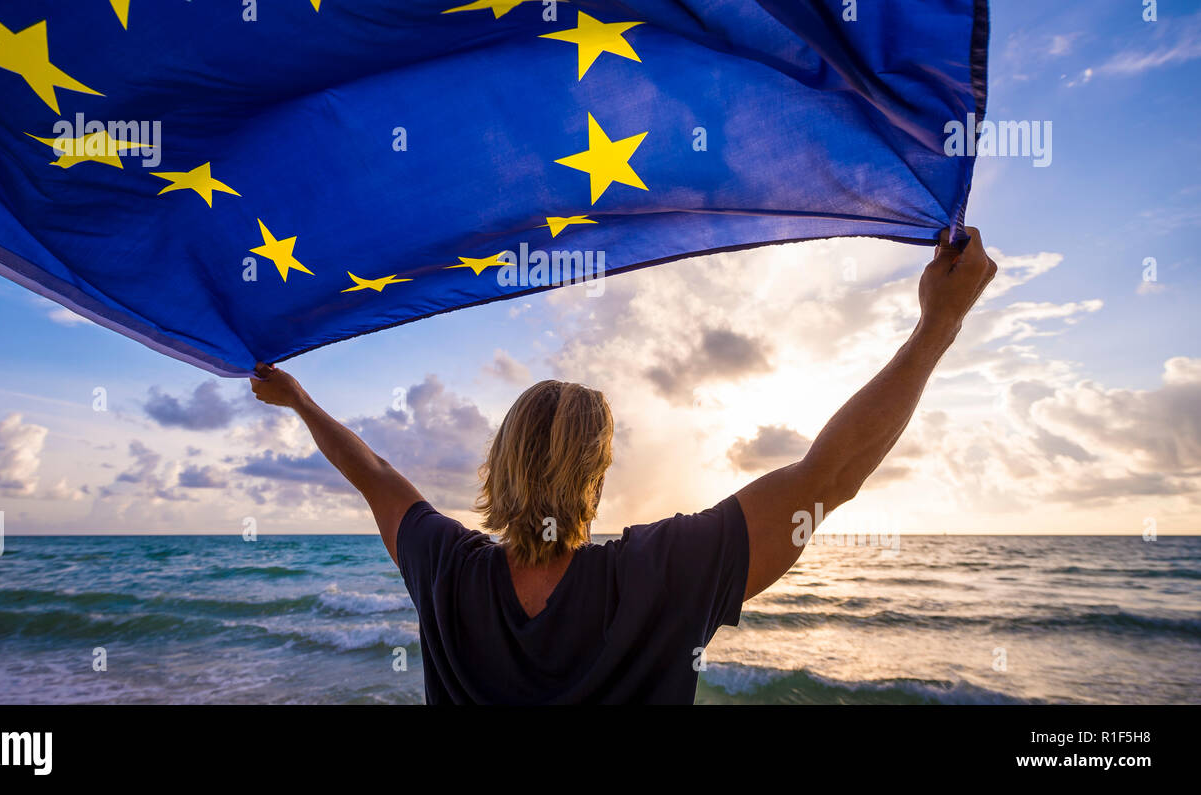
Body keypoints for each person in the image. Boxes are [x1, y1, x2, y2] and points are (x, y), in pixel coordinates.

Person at [250, 226, 996, 703]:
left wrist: (302, 401)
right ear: (596, 477)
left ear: (497, 465)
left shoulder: (445, 569)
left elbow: (374, 473)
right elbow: (827, 476)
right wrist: (938, 325)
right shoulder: (663, 573)